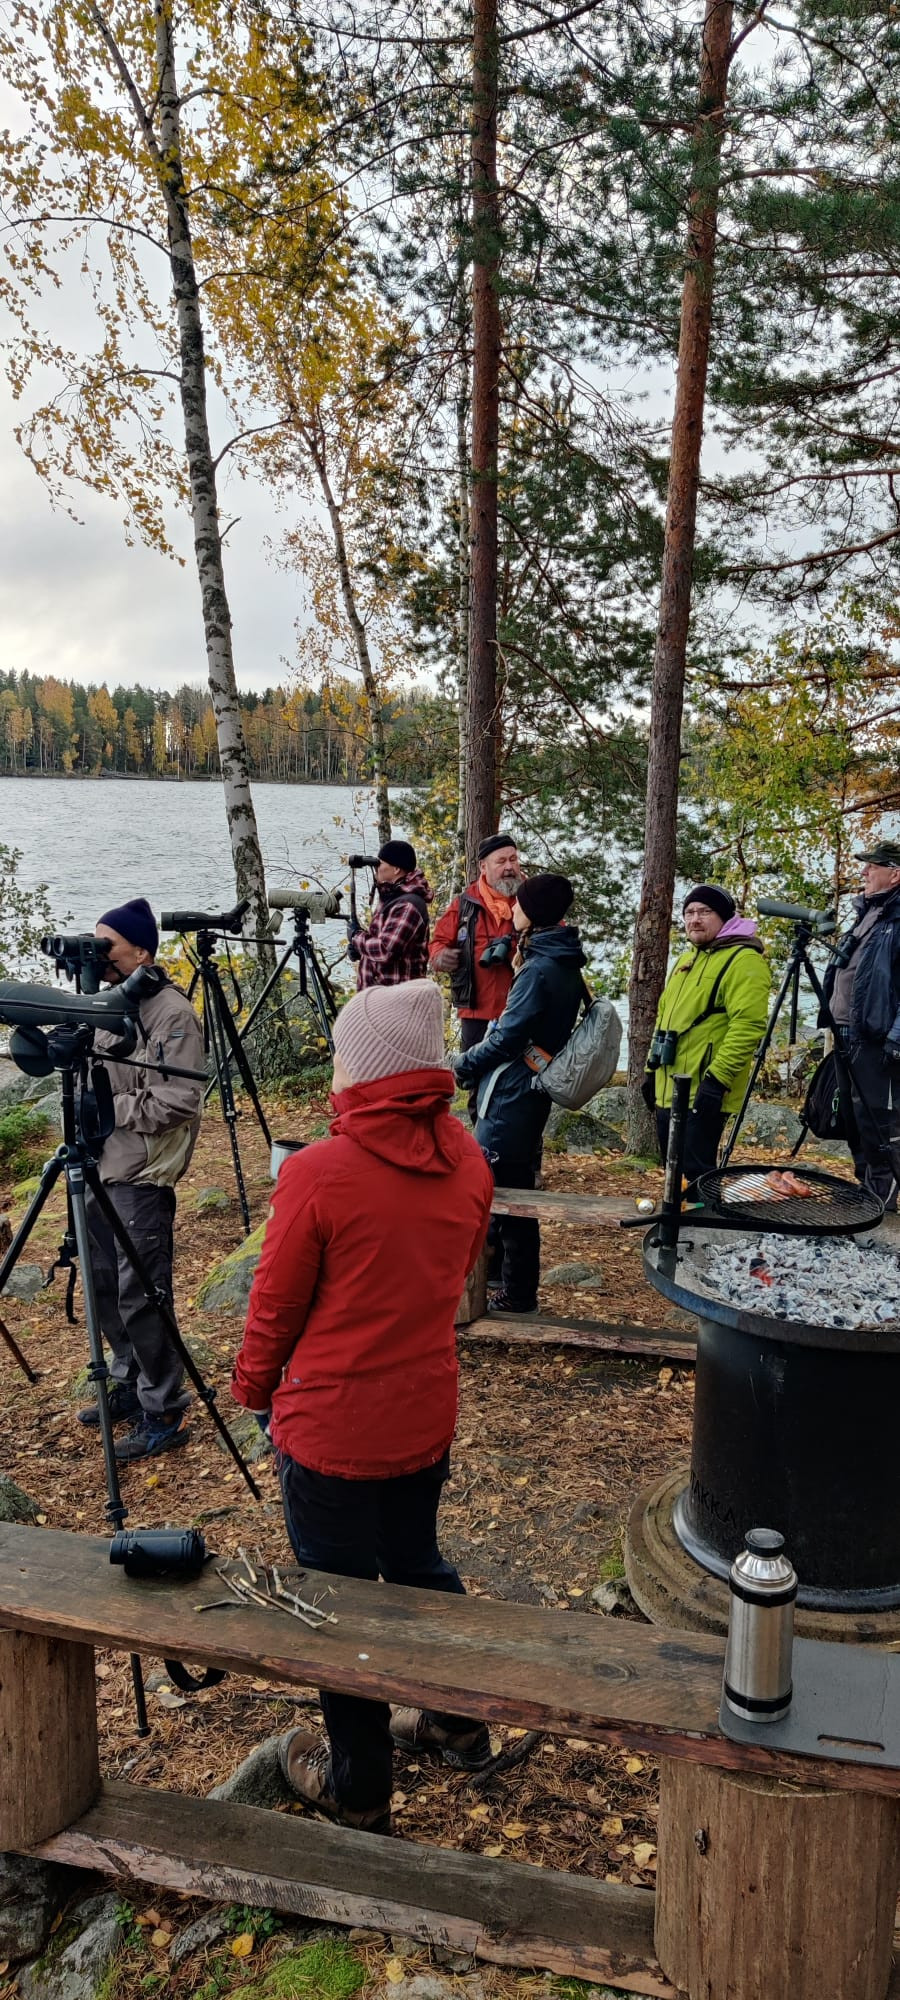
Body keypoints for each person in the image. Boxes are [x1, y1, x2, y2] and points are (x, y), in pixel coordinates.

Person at [231, 979, 495, 1835]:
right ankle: (458, 1718)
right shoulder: (471, 1157)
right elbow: (451, 1280)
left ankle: (362, 1791)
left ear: (366, 1068)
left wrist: (251, 1389)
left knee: (339, 1607)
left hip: (332, 1431)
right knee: (416, 1564)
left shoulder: (319, 1172)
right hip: (422, 1411)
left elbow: (273, 1307)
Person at [77, 897, 205, 1462]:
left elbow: (180, 1099)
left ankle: (165, 1410)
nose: (100, 955)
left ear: (142, 953)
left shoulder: (171, 1013)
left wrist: (110, 1109)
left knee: (142, 1294)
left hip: (142, 1172)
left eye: (110, 946)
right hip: (99, 1162)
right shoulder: (106, 1003)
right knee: (102, 1282)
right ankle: (131, 1383)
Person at [452, 874, 585, 1317]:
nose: (512, 909)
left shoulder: (541, 967)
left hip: (513, 1090)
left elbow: (509, 1035)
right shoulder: (560, 959)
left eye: (521, 904)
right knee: (514, 1182)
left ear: (537, 913)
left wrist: (465, 1063)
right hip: (529, 1083)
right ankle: (506, 1283)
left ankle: (515, 1291)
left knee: (502, 1185)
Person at [643, 884, 770, 1192]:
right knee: (673, 1173)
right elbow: (664, 1020)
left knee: (697, 1174)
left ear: (725, 917)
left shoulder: (744, 960)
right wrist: (650, 1069)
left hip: (704, 1087)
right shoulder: (687, 959)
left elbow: (749, 1026)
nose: (695, 919)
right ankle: (678, 1231)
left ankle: (703, 1232)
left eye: (704, 912)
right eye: (689, 913)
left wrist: (717, 1081)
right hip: (668, 1084)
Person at [821, 839, 900, 1207]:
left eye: (872, 866)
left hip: (876, 1038)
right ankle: (863, 1187)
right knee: (852, 1116)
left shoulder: (897, 918)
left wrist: (896, 1038)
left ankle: (883, 1195)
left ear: (895, 874)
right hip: (845, 1033)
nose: (864, 872)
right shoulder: (869, 913)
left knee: (877, 1120)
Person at [430, 834, 523, 1056]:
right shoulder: (464, 904)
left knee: (520, 1077)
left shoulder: (531, 898)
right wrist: (441, 956)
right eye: (501, 862)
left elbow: (556, 935)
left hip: (522, 1007)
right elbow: (437, 942)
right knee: (473, 1076)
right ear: (483, 866)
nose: (509, 867)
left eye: (513, 859)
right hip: (475, 1010)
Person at [347, 840, 433, 989]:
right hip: (379, 998)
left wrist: (356, 937)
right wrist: (361, 951)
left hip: (396, 1000)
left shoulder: (408, 905)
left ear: (396, 869)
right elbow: (382, 942)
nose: (376, 869)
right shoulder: (392, 896)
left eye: (380, 864)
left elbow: (385, 950)